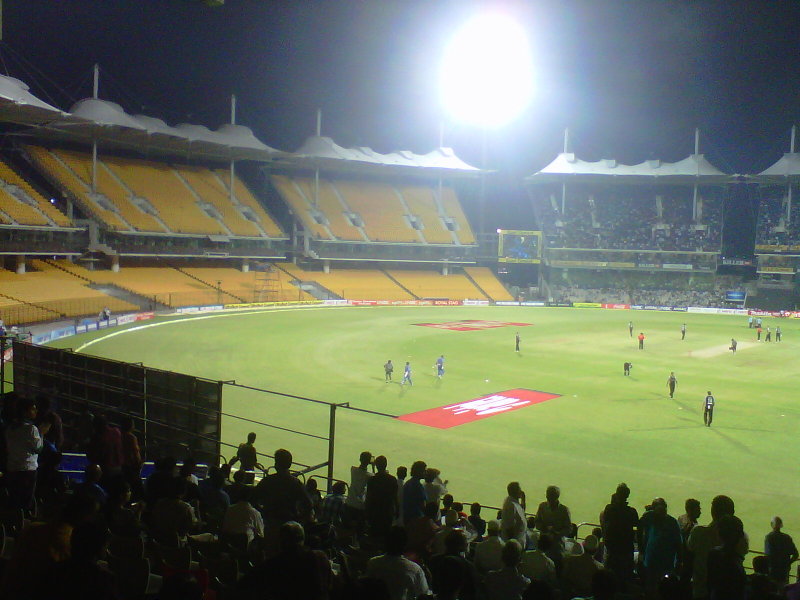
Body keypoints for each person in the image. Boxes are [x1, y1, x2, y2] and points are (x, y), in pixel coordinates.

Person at [365, 526, 430, 600]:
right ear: (405, 544)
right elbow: (423, 595)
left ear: (385, 543)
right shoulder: (414, 569)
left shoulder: (373, 563)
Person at [4, 397, 44, 510]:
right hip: (27, 469)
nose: (36, 411)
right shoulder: (31, 429)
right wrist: (42, 433)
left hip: (12, 468)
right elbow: (38, 449)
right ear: (25, 411)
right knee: (26, 500)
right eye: (33, 409)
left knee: (14, 499)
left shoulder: (10, 428)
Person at [638, 497, 682, 593]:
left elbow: (678, 543)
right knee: (653, 588)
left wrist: (679, 561)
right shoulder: (650, 517)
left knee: (661, 589)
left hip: (664, 563)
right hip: (654, 562)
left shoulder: (671, 522)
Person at [600, 483, 639, 583]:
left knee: (609, 575)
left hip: (613, 548)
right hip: (626, 548)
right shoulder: (631, 512)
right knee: (625, 576)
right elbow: (637, 523)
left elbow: (604, 518)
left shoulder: (610, 508)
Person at [365, 455, 398, 541]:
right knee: (386, 537)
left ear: (376, 466)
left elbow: (368, 498)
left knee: (374, 537)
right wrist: (397, 511)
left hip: (374, 513)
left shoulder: (372, 480)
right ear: (386, 464)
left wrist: (367, 514)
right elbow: (395, 497)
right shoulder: (392, 479)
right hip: (387, 512)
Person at [765, 516, 799, 585]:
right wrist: (788, 563)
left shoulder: (769, 537)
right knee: (784, 588)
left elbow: (768, 555)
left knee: (773, 588)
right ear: (781, 525)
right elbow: (796, 554)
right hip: (784, 572)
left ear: (771, 524)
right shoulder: (787, 538)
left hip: (773, 572)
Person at [345, 450, 373, 533]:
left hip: (349, 502)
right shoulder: (369, 476)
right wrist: (373, 466)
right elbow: (374, 477)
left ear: (360, 459)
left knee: (348, 528)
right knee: (359, 529)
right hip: (360, 506)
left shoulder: (353, 470)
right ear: (369, 462)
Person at [502, 481, 527, 547]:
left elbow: (521, 512)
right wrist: (512, 544)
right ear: (514, 491)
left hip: (518, 541)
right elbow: (510, 526)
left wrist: (523, 500)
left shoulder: (514, 501)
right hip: (514, 543)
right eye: (519, 489)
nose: (521, 491)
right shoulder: (511, 505)